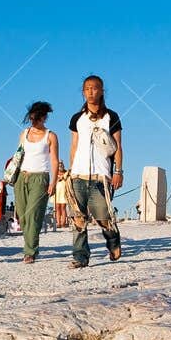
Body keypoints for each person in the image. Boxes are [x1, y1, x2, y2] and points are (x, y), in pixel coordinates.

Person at [65, 75, 122, 269]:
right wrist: (71, 172)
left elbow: (118, 147)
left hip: (101, 176)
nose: (91, 92)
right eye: (87, 88)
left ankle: (113, 241)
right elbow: (74, 146)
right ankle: (80, 256)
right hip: (78, 176)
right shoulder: (77, 119)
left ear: (102, 91)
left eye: (95, 88)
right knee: (78, 219)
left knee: (103, 217)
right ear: (83, 92)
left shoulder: (111, 117)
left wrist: (118, 171)